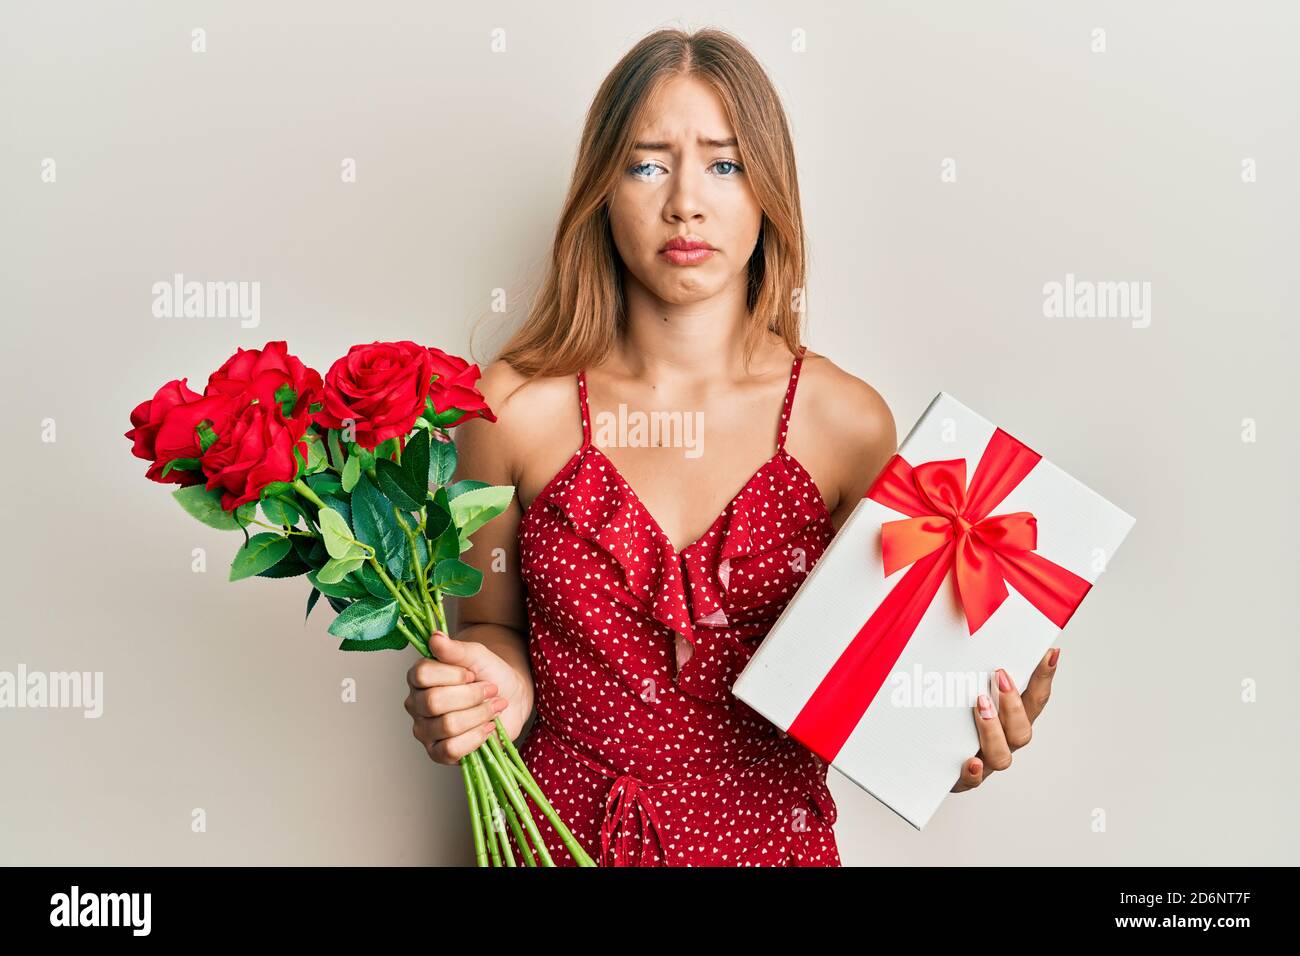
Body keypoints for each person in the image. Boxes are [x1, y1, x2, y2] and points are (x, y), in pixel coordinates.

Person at [404, 27, 1061, 866]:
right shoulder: (513, 408)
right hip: (558, 842)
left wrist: (954, 741)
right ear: (602, 190)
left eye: (724, 163)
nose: (686, 201)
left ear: (768, 191)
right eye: (647, 163)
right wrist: (485, 688)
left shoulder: (848, 425)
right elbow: (493, 624)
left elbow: (892, 691)